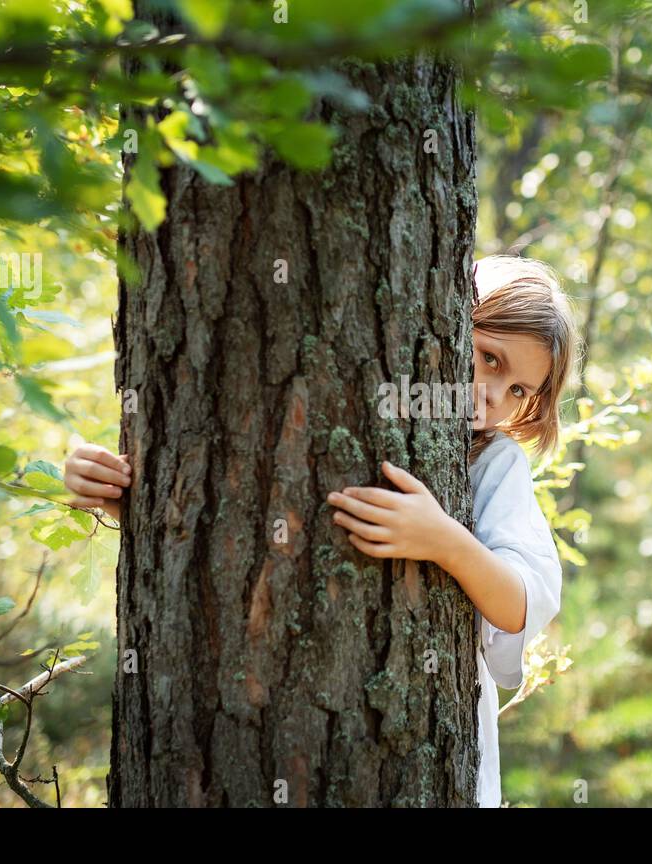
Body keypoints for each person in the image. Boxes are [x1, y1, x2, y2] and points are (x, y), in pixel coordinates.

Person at [64, 254, 579, 807]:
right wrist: (116, 491)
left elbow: (526, 604)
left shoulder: (494, 462)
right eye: (489, 358)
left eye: (521, 390)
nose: (497, 397)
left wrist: (443, 539)